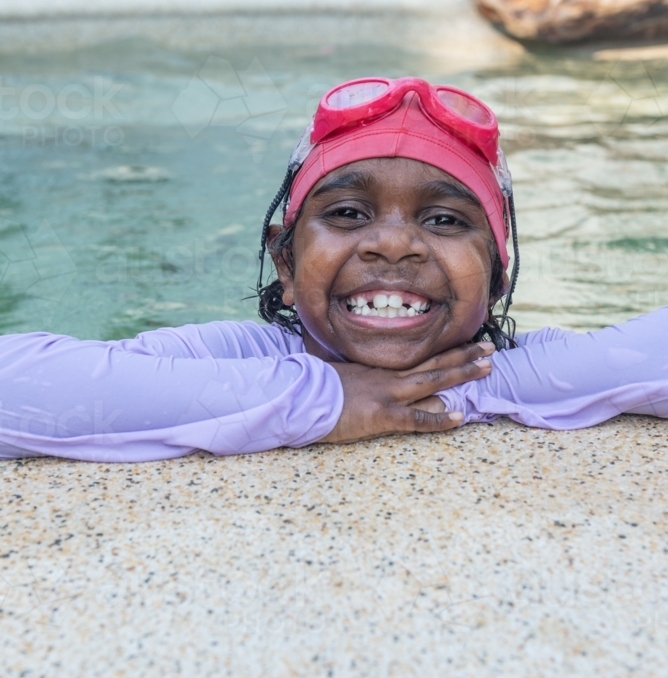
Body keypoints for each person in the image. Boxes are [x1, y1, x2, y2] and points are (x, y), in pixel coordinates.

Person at [0, 76, 666, 462]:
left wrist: (472, 390)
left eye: (444, 221)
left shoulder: (513, 368)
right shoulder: (246, 353)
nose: (394, 245)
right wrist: (322, 398)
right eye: (347, 213)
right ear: (284, 262)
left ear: (497, 276)